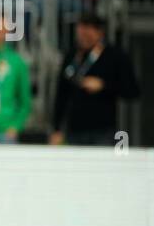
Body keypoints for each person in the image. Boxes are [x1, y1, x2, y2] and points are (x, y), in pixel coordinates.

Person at [50, 13, 140, 146]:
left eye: (87, 35)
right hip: (74, 130)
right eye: (80, 35)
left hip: (103, 130)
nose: (83, 39)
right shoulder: (72, 55)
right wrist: (56, 128)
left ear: (99, 32)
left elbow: (132, 90)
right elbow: (61, 93)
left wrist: (104, 86)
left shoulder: (114, 56)